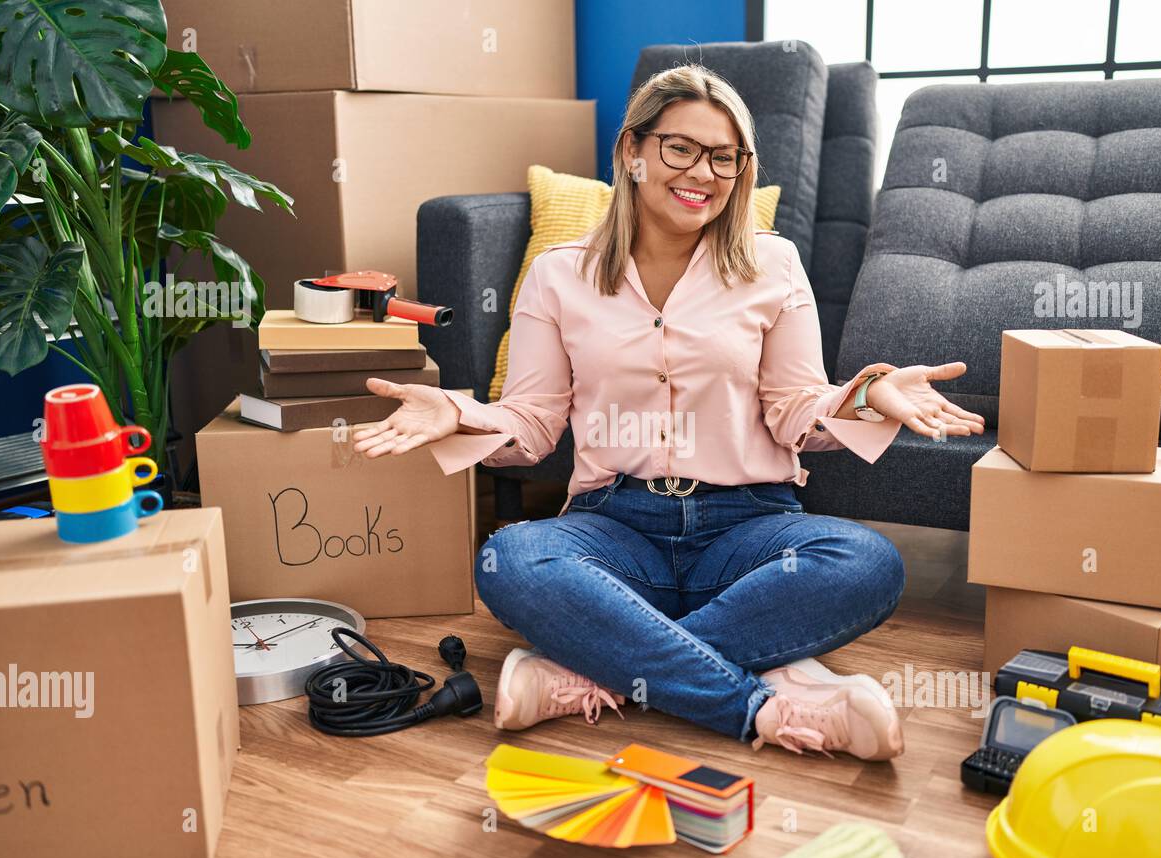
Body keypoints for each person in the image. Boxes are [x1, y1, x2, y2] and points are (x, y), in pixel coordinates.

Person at [352, 64, 984, 760]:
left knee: (868, 562)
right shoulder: (559, 274)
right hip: (616, 526)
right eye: (681, 148)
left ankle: (584, 667)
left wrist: (868, 397)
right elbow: (531, 426)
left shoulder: (772, 266)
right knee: (510, 560)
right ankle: (759, 703)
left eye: (725, 157)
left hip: (749, 526)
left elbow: (796, 412)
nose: (704, 172)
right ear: (633, 151)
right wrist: (457, 412)